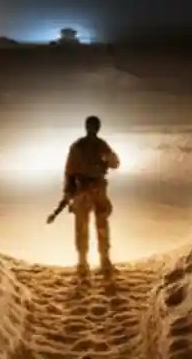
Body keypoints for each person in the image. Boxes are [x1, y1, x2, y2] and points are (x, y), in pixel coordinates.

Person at [63, 115, 121, 271]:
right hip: (92, 190)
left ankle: (87, 261)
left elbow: (69, 172)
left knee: (85, 226)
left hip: (86, 190)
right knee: (97, 224)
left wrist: (68, 192)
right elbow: (115, 163)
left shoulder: (79, 146)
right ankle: (100, 259)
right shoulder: (100, 145)